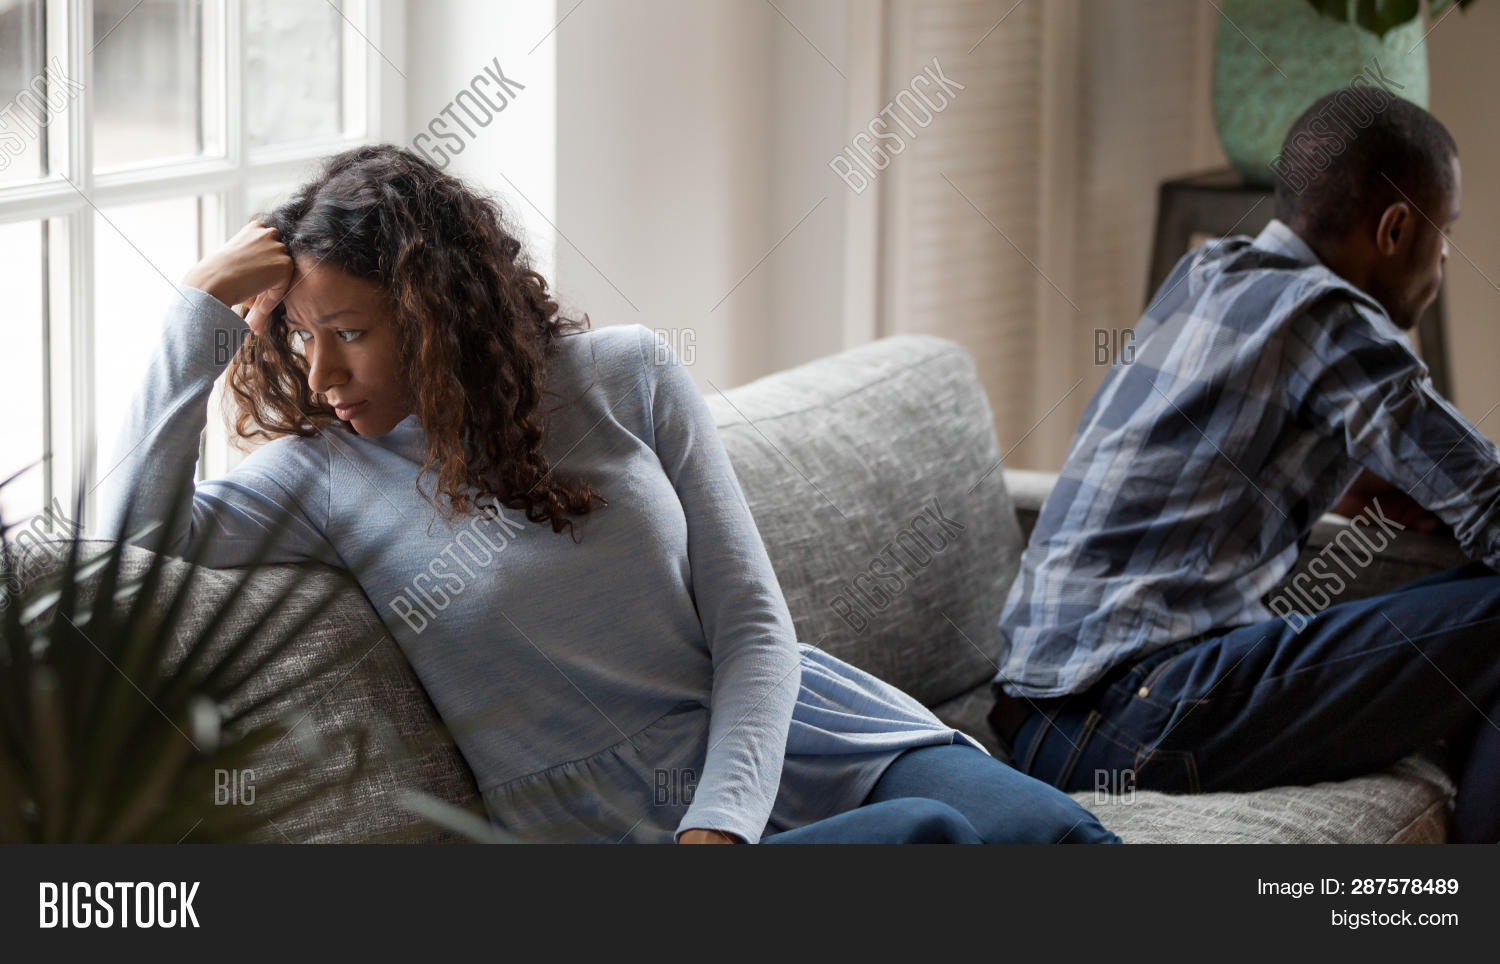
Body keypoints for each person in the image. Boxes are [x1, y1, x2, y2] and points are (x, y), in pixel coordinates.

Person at [100, 144, 1117, 845]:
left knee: (1059, 836)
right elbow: (130, 533)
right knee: (930, 842)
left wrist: (721, 818)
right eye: (298, 334)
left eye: (351, 333)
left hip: (787, 736)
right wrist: (200, 307)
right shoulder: (321, 477)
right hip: (612, 822)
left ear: (434, 310)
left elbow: (754, 627)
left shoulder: (623, 376)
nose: (319, 376)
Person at [988, 89, 1500, 843]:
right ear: (1395, 230)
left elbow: (1203, 452)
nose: (1447, 255)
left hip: (1039, 723)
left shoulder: (1206, 273)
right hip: (1133, 709)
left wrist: (1373, 478)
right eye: (1444, 230)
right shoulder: (1326, 317)